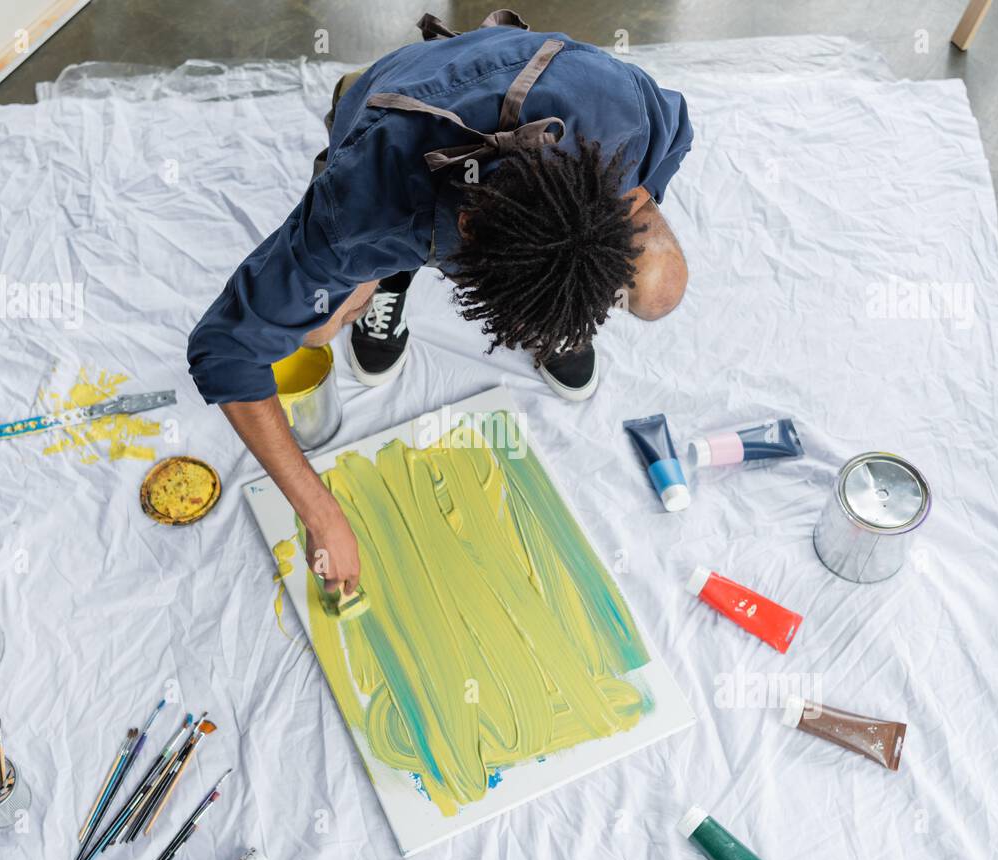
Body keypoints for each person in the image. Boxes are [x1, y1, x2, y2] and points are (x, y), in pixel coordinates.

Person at [188, 10, 692, 597]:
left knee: (660, 288)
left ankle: (559, 288)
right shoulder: (360, 212)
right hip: (392, 108)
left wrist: (586, 260)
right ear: (462, 233)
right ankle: (388, 269)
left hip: (524, 93)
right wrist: (319, 511)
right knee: (320, 328)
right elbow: (224, 350)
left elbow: (675, 128)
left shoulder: (616, 108)